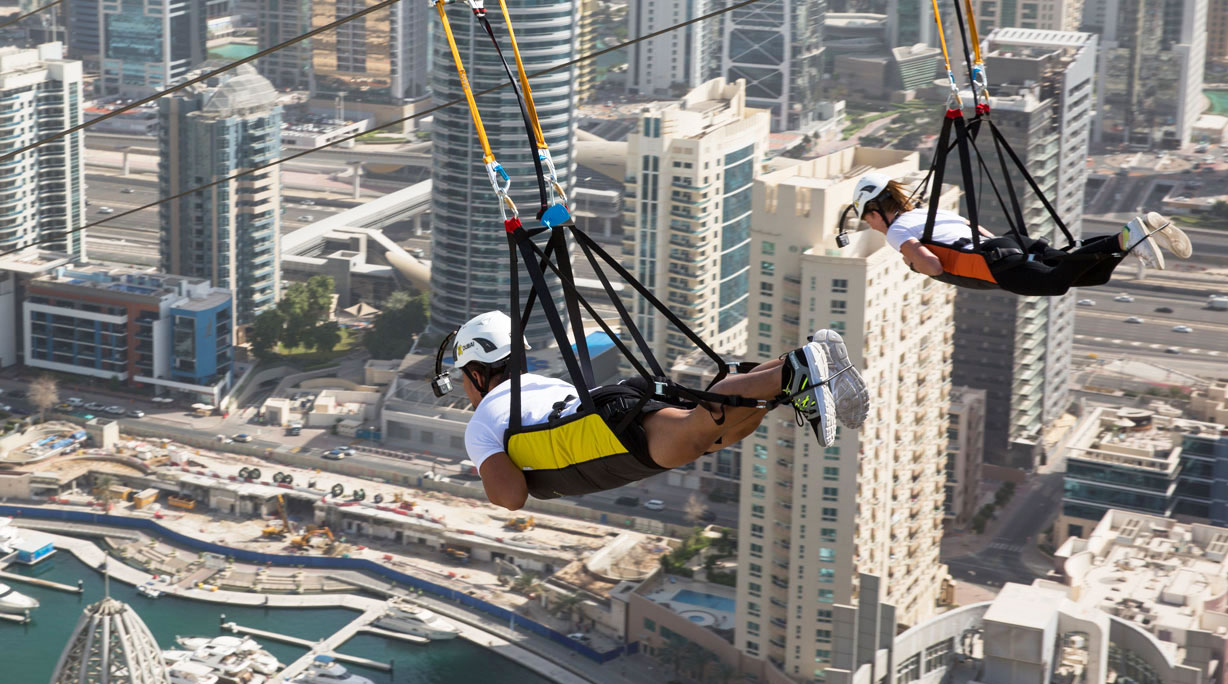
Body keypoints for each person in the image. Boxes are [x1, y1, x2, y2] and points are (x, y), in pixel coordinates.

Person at [451, 311, 869, 510]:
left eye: (462, 378)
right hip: (610, 407)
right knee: (715, 434)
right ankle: (799, 367)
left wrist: (486, 464)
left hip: (603, 429)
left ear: (475, 372)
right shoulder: (542, 385)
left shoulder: (483, 421)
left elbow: (510, 497)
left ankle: (798, 366)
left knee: (695, 433)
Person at [850, 175, 1192, 296]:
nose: (872, 226)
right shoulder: (928, 212)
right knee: (1088, 274)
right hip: (1003, 245)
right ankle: (1139, 236)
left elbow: (934, 266)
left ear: (877, 211)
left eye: (868, 219)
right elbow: (977, 229)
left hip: (991, 262)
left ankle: (1126, 237)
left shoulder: (897, 232)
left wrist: (912, 261)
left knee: (1055, 283)